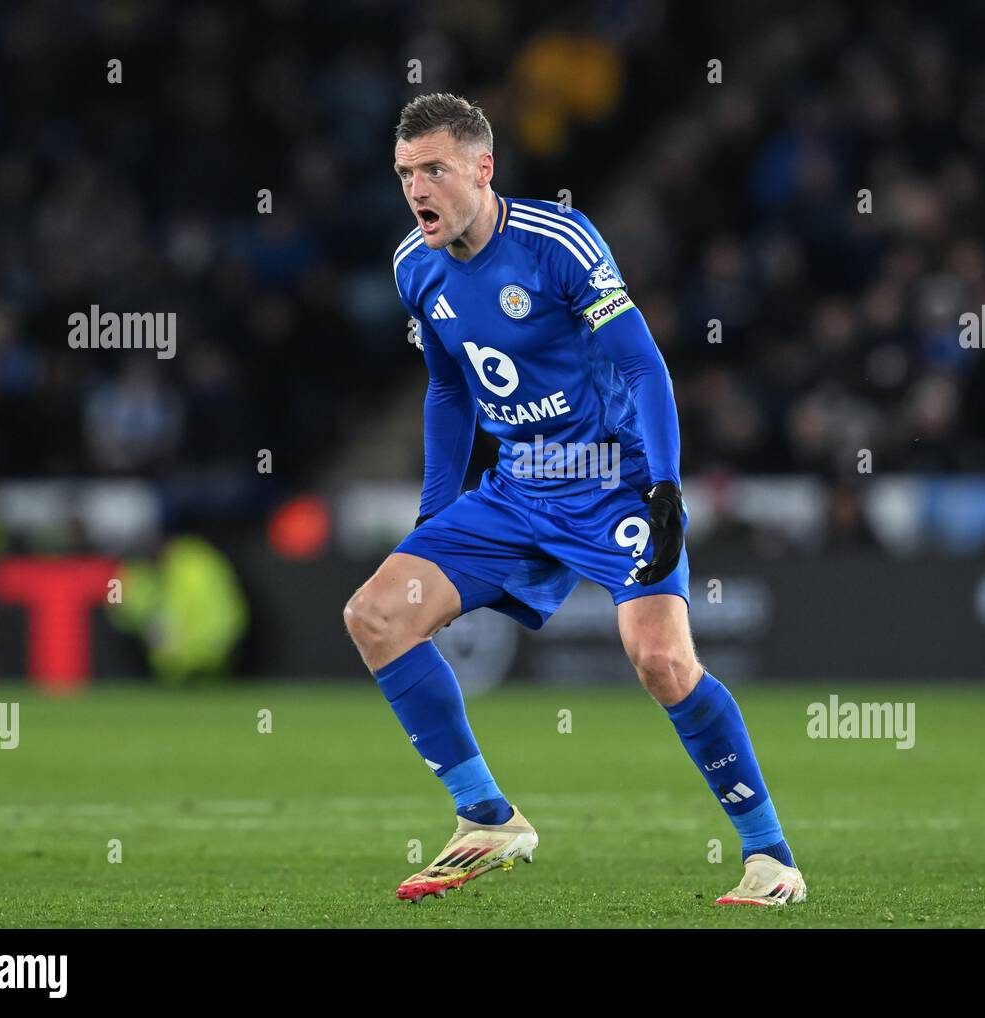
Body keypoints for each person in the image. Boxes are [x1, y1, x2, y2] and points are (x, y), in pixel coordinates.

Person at [344, 93, 804, 907]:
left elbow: (642, 365)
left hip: (609, 482)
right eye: (406, 173)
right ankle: (486, 816)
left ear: (483, 170)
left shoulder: (557, 241)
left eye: (435, 170)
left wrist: (664, 487)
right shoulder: (413, 266)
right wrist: (434, 512)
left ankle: (771, 860)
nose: (418, 189)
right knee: (375, 615)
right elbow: (449, 390)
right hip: (516, 490)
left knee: (662, 661)